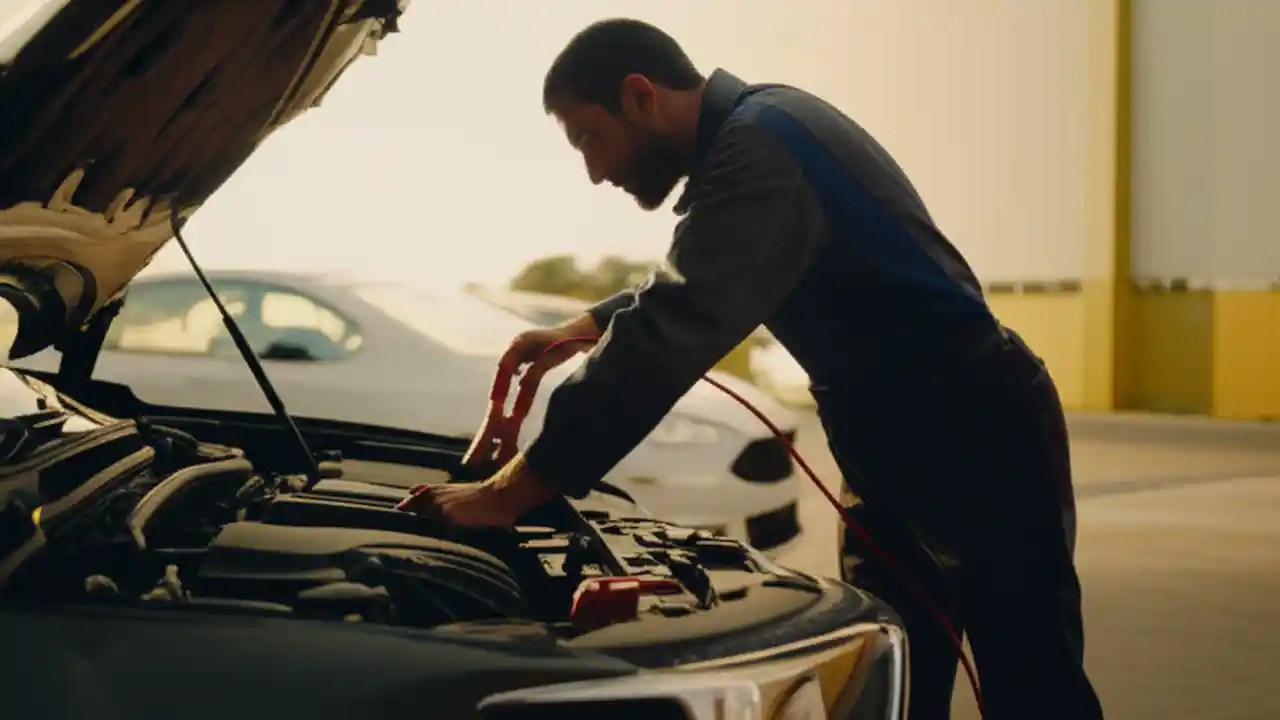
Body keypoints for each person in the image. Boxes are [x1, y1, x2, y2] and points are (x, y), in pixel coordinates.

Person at [399, 18, 1104, 719]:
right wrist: (583, 328)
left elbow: (676, 323)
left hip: (976, 430)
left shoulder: (763, 146)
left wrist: (509, 493)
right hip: (892, 435)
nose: (595, 170)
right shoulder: (759, 130)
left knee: (1030, 683)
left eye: (590, 138)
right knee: (895, 675)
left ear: (639, 95)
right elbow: (707, 271)